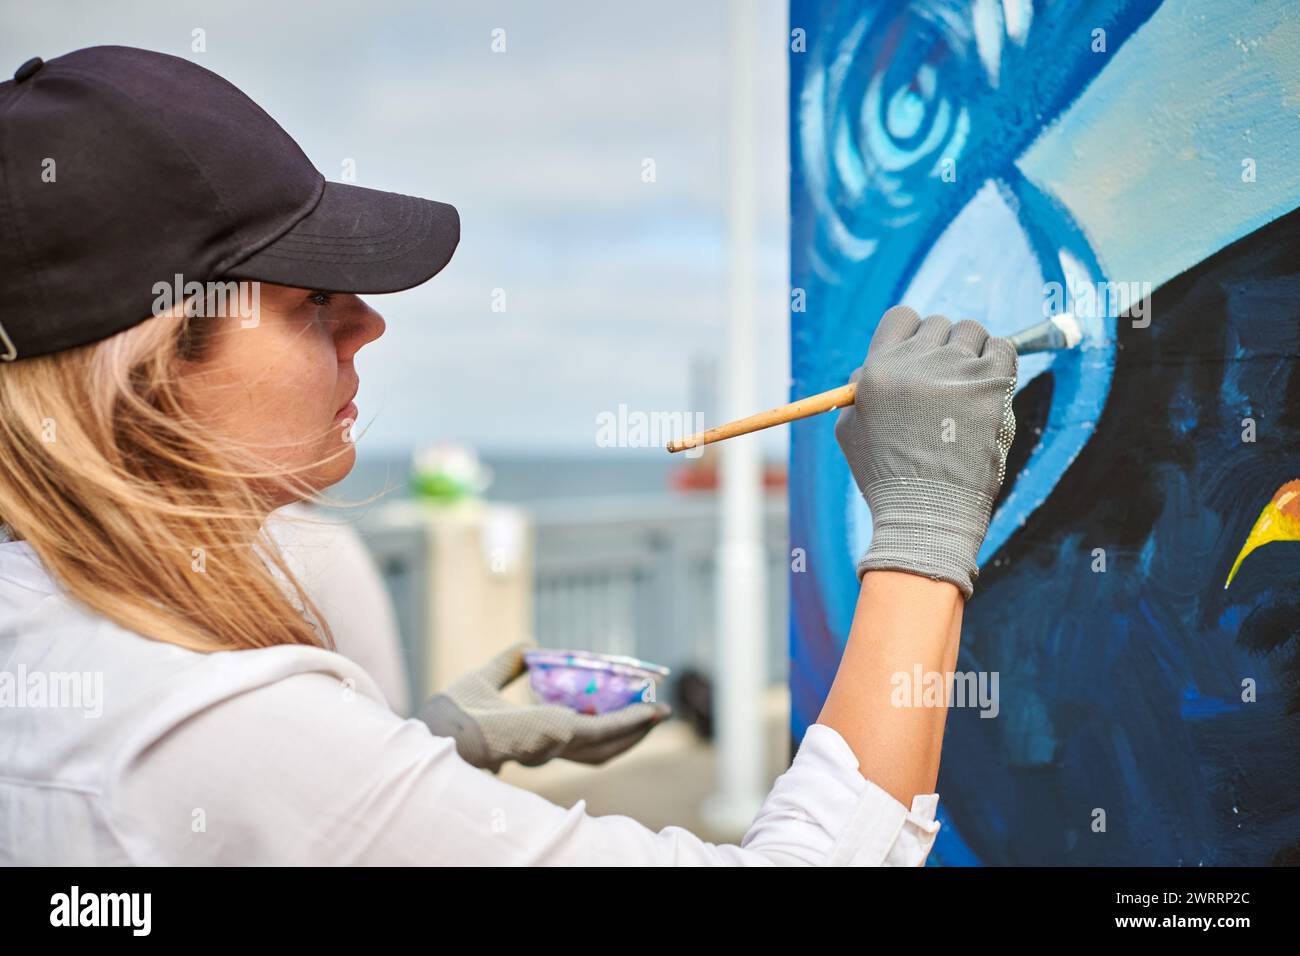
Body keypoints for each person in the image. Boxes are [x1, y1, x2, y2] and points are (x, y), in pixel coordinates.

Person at [0, 46, 1016, 865]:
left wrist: (423, 748)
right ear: (150, 366)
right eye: (310, 298)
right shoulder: (212, 728)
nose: (366, 326)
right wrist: (924, 530)